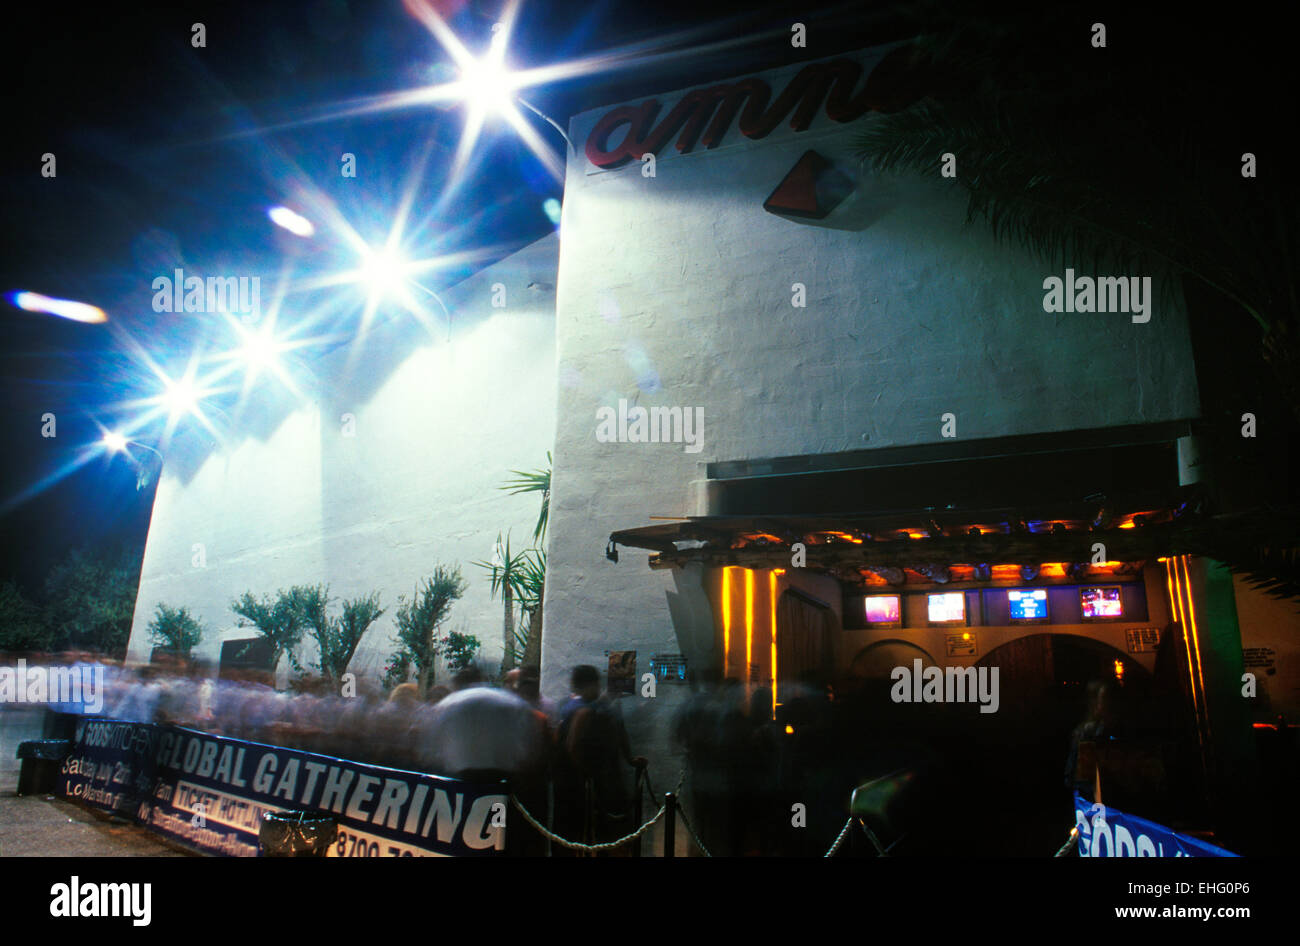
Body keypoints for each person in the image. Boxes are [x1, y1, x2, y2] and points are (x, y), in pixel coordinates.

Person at [554, 665, 646, 853]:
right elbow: (572, 744)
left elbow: (619, 731)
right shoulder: (583, 710)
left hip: (594, 777)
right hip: (590, 780)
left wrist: (629, 759)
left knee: (595, 829)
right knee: (588, 829)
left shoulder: (591, 707)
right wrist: (586, 773)